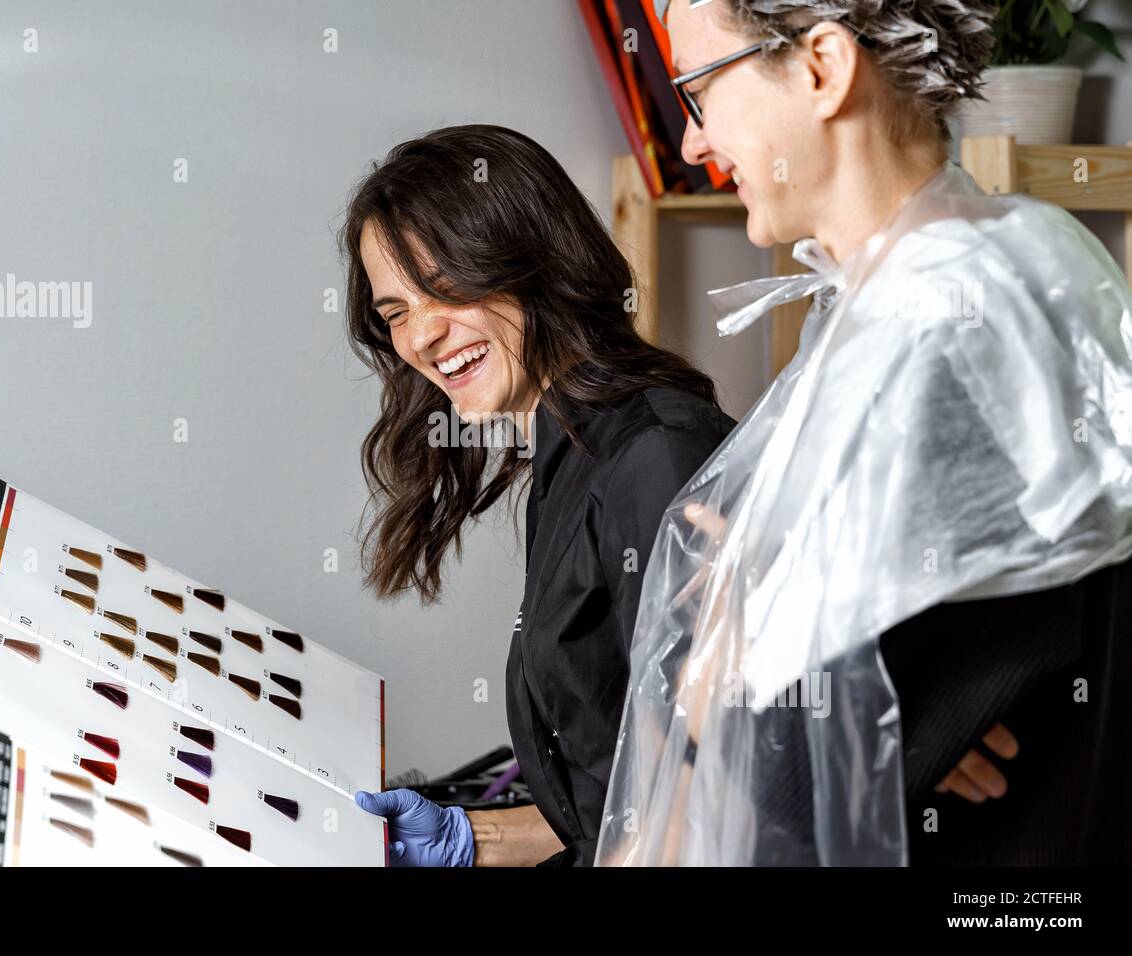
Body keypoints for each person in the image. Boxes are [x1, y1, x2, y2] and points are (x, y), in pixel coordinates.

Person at [340, 124, 1000, 866]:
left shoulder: (653, 458)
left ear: (532, 260)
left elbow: (730, 805)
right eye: (395, 312)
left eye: (447, 287)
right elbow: (626, 801)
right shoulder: (570, 452)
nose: (424, 334)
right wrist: (474, 839)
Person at [598, 0, 1132, 865]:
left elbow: (793, 787)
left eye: (700, 92)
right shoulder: (955, 269)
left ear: (823, 68)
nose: (692, 144)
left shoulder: (941, 313)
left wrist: (734, 636)